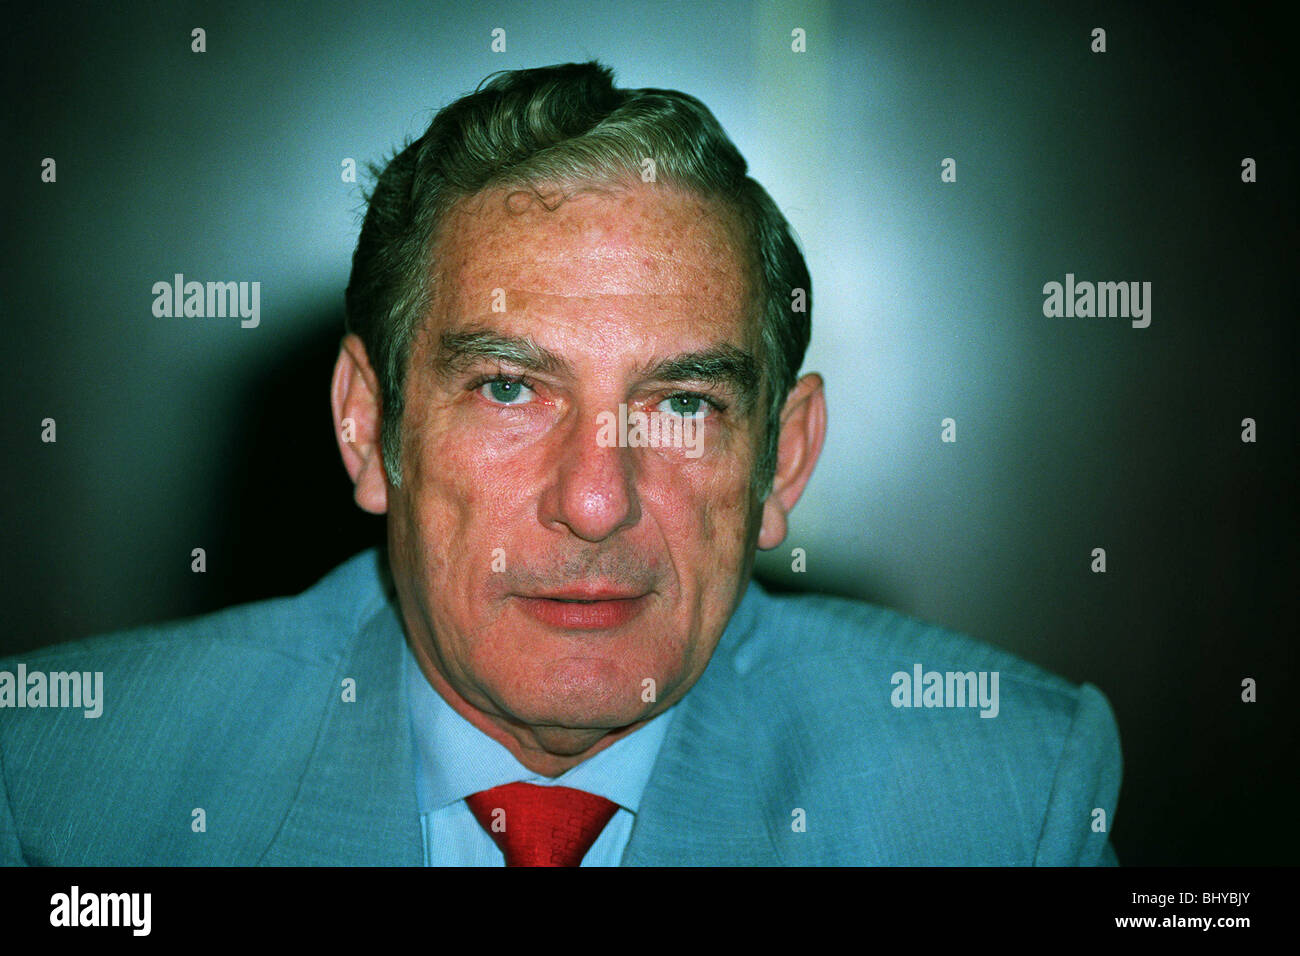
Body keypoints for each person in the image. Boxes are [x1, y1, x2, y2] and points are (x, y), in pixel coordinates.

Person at [0, 61, 1121, 866]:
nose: (595, 500)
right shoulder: (58, 787)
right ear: (367, 428)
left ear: (782, 459)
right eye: (507, 388)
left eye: (682, 401)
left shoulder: (1006, 795)